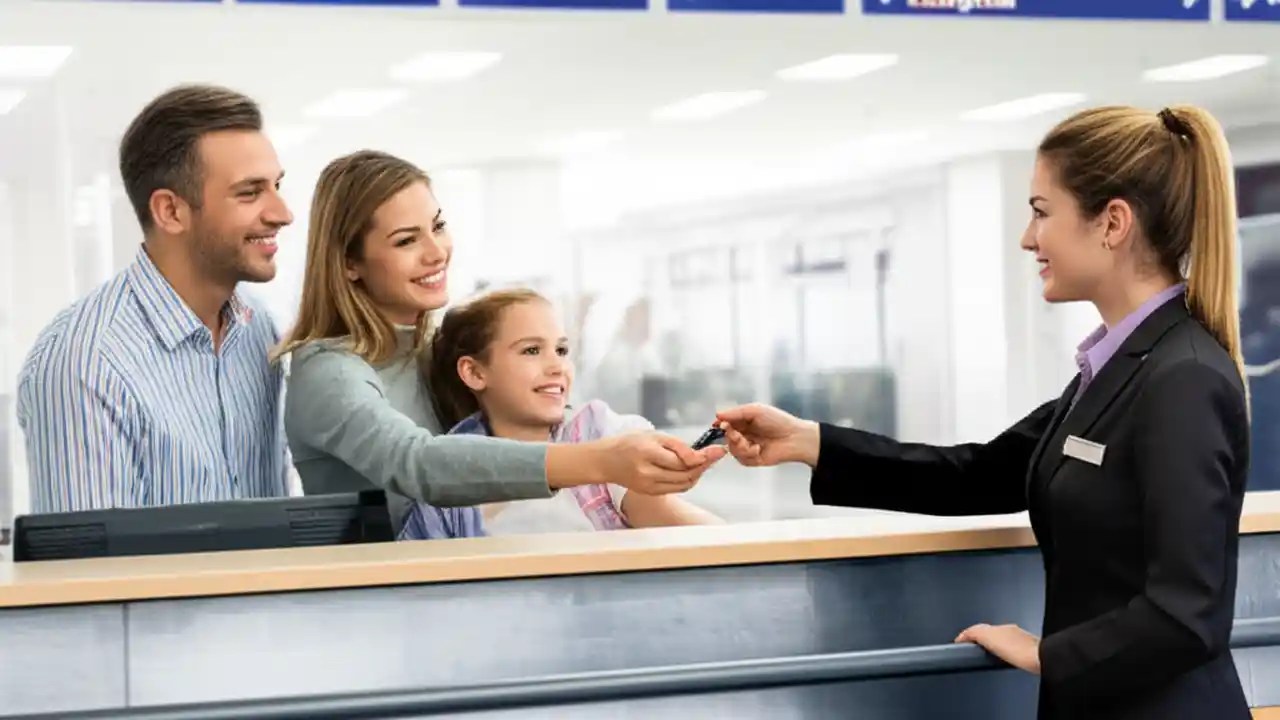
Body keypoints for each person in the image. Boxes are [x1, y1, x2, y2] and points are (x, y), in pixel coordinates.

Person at [715, 105, 1251, 720]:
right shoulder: (1116, 372)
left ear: (1113, 223)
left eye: (1041, 212)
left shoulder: (1181, 376)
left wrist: (1050, 654)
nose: (1028, 238)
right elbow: (977, 473)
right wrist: (808, 441)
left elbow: (1189, 614)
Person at [277, 150, 722, 535]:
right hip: (380, 609)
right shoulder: (329, 369)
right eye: (407, 240)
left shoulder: (435, 352)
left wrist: (634, 451)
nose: (436, 252)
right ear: (350, 263)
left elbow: (545, 420)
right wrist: (600, 459)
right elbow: (420, 464)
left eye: (437, 226)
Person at [17, 84, 293, 513]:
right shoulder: (85, 362)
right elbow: (89, 572)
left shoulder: (259, 329)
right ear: (170, 211)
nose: (283, 212)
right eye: (250, 192)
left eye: (276, 185)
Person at [398, 288, 721, 538]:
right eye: (532, 350)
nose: (557, 367)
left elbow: (671, 518)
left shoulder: (599, 435)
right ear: (474, 373)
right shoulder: (448, 481)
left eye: (562, 350)